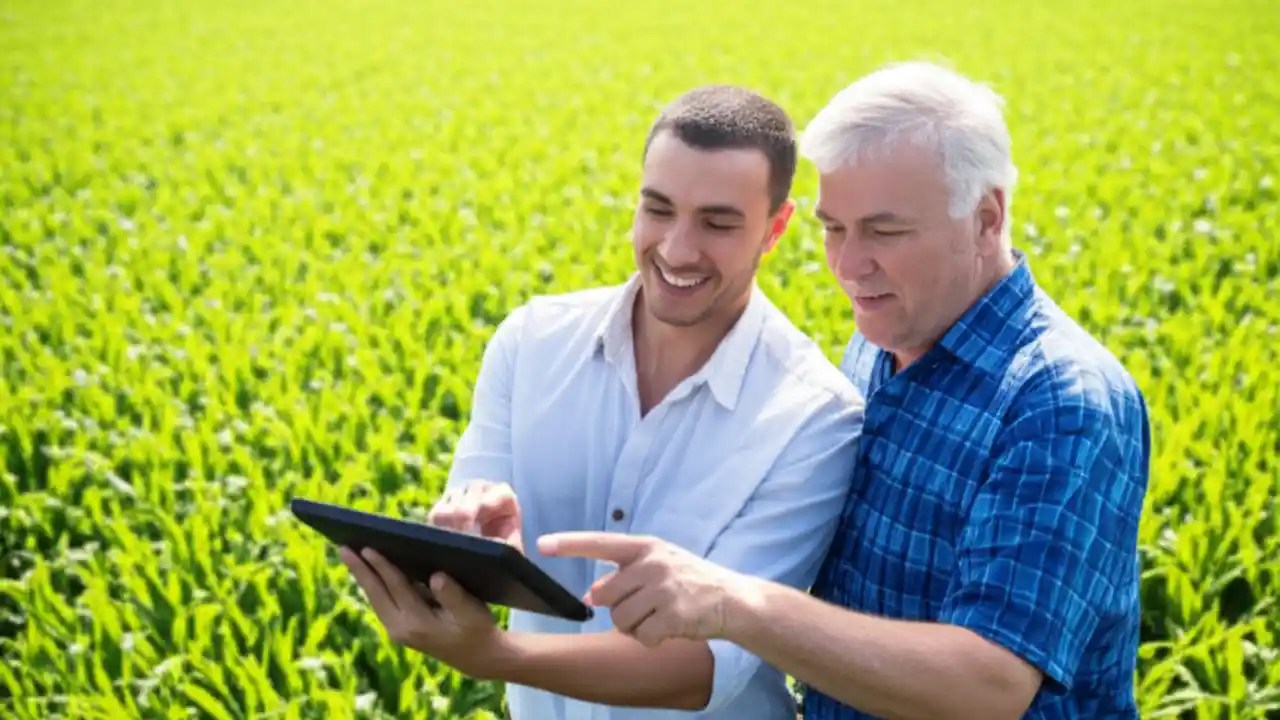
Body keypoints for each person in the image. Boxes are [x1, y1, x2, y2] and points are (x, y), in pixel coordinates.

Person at [541, 60, 1152, 719]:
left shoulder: (1061, 402)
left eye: (885, 232)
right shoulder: (882, 339)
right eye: (833, 228)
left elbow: (987, 685)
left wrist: (733, 602)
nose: (848, 266)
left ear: (986, 216)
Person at [339, 85, 866, 719]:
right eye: (659, 209)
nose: (676, 249)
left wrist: (496, 656)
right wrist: (474, 536)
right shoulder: (532, 343)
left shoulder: (813, 415)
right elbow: (473, 523)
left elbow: (707, 668)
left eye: (718, 223)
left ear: (775, 229)